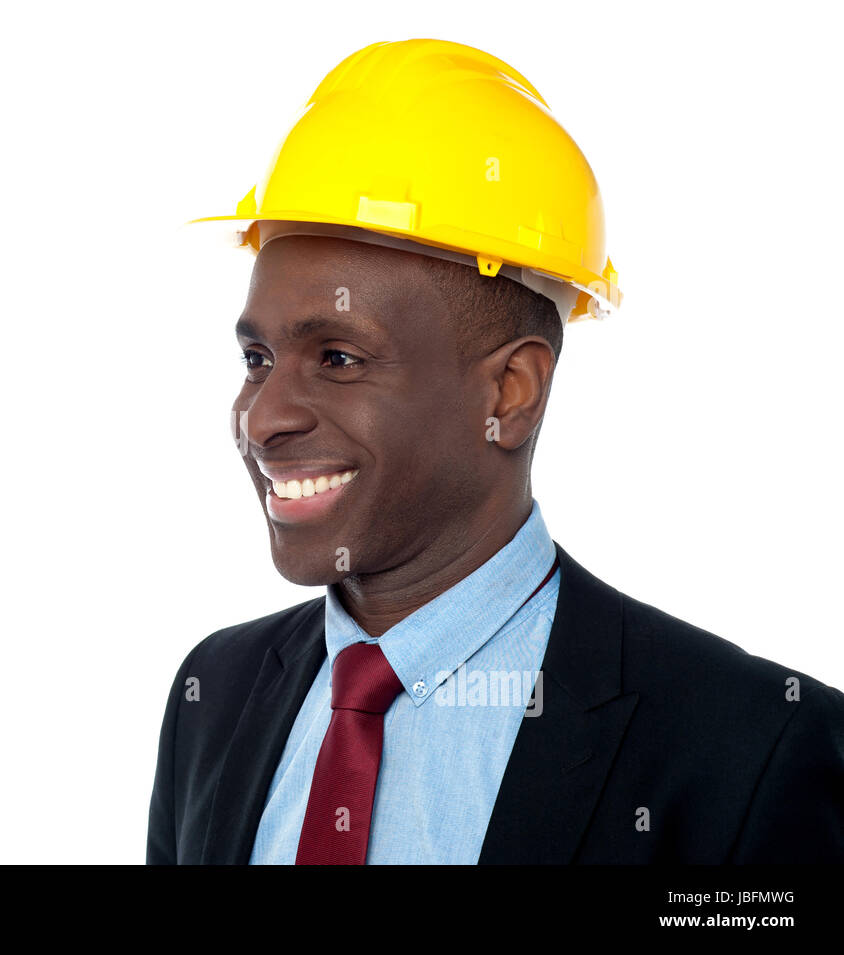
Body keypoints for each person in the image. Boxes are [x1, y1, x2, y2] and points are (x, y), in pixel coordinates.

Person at [145, 38, 844, 864]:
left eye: (338, 358)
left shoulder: (754, 747)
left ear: (510, 393)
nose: (262, 418)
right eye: (257, 359)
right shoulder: (215, 692)